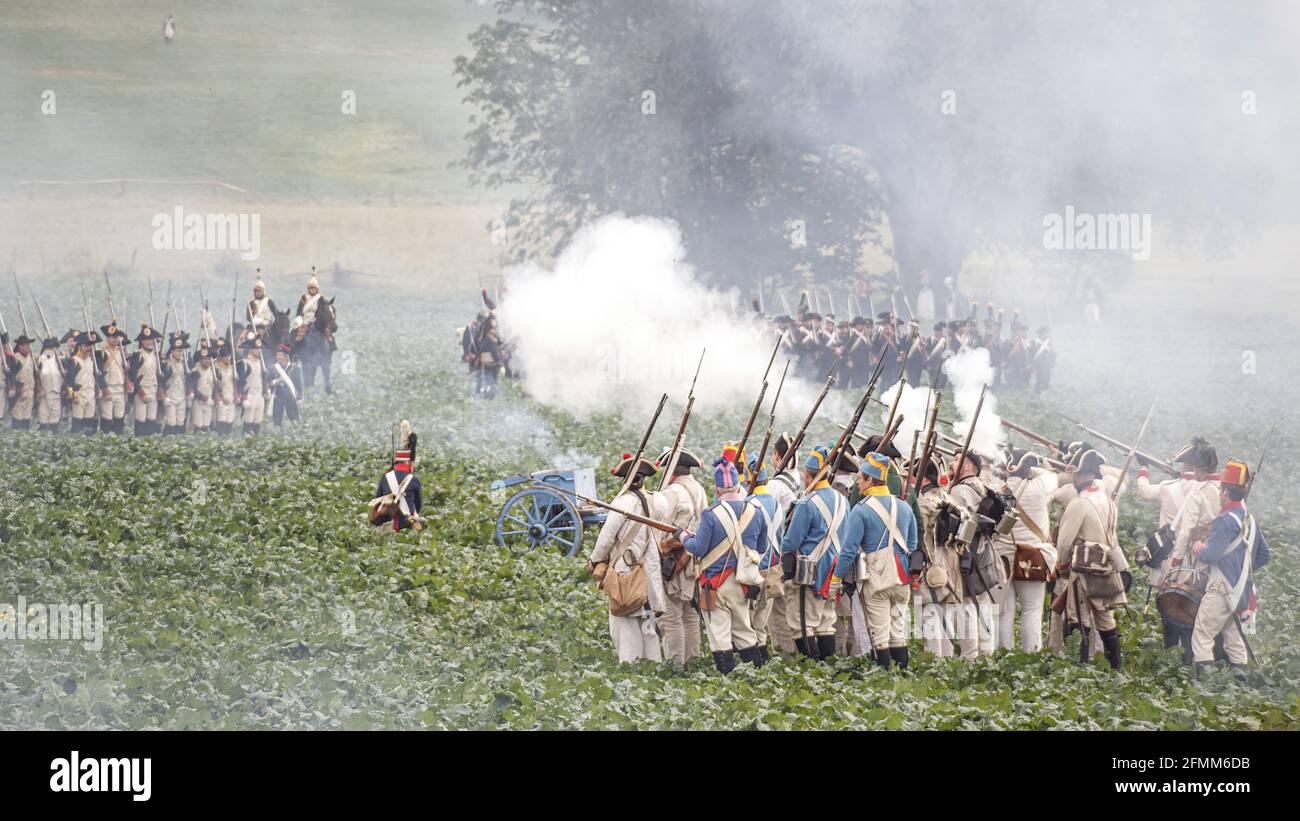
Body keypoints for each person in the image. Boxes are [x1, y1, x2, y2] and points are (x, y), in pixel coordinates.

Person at [677, 458, 769, 673]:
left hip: (716, 583)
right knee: (745, 631)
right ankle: (755, 677)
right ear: (738, 487)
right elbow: (761, 546)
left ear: (717, 491)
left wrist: (682, 536)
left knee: (719, 635)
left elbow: (698, 548)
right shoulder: (756, 510)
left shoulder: (710, 515)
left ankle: (727, 679)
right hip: (744, 581)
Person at [1190, 458, 1269, 678]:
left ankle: (1205, 686)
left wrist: (1198, 548)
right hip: (1241, 592)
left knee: (1202, 635)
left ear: (1225, 492)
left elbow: (1210, 555)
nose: (1218, 493)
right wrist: (1241, 571)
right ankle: (1239, 687)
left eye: (1220, 490)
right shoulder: (1250, 520)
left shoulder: (1225, 520)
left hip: (1220, 589)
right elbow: (1263, 555)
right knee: (1234, 640)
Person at [838, 452, 917, 669]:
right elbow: (912, 545)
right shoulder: (904, 506)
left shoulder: (861, 510)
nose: (858, 484)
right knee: (898, 633)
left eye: (861, 479)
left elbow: (848, 551)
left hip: (877, 579)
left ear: (870, 479)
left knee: (879, 636)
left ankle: (882, 683)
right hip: (901, 577)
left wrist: (836, 578)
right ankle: (902, 677)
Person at [588, 453, 666, 664]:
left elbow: (605, 539)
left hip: (626, 570)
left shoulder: (622, 503)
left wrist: (595, 560)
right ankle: (653, 665)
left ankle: (630, 667)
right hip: (649, 569)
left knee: (625, 625)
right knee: (647, 624)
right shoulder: (658, 501)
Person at [1055, 449, 1127, 670]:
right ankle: (1115, 667)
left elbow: (1065, 543)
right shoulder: (1110, 503)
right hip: (1106, 567)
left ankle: (1081, 669)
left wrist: (1062, 565)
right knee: (1106, 619)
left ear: (1079, 475)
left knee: (1079, 617)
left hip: (1083, 569)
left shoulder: (1078, 503)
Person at [780, 445, 846, 660]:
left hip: (810, 572)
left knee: (802, 625)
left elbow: (791, 542)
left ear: (809, 475)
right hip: (834, 571)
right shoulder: (843, 500)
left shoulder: (807, 503)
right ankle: (828, 668)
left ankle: (812, 671)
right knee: (826, 623)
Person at [995, 451, 1058, 652]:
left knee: (1005, 611)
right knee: (1031, 609)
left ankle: (1004, 653)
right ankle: (1031, 654)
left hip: (1002, 556)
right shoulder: (1039, 486)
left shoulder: (997, 491)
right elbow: (1052, 476)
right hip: (1030, 556)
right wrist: (1036, 465)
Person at [655, 446, 708, 666]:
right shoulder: (700, 489)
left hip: (674, 560)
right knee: (690, 613)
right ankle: (692, 660)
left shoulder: (672, 492)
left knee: (671, 616)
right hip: (694, 559)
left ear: (673, 470)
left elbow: (661, 528)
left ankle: (675, 665)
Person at [947, 452, 998, 660]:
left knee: (966, 605)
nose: (952, 463)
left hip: (965, 552)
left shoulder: (959, 491)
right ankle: (986, 651)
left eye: (957, 460)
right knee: (982, 604)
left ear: (967, 468)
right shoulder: (983, 487)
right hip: (982, 550)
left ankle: (970, 656)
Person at [745, 453, 784, 663]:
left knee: (749, 621)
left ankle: (755, 664)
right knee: (761, 620)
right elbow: (782, 536)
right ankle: (763, 658)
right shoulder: (776, 504)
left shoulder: (747, 503)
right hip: (773, 567)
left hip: (753, 568)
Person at [369, 421, 424, 533]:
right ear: (409, 463)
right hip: (407, 527)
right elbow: (418, 506)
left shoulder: (385, 477)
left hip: (388, 526)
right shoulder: (413, 480)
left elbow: (378, 499)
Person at [98, 323, 131, 434]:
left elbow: (125, 370)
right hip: (108, 388)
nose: (115, 339)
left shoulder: (121, 351)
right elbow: (99, 373)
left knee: (119, 416)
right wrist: (104, 389)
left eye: (117, 337)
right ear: (107, 337)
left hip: (120, 388)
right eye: (113, 337)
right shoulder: (102, 352)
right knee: (107, 416)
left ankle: (119, 439)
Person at [129, 325, 163, 436]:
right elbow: (132, 375)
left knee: (151, 418)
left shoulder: (156, 356)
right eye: (146, 339)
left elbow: (160, 375)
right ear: (142, 341)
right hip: (141, 390)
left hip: (153, 389)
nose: (149, 342)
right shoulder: (137, 355)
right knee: (140, 419)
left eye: (150, 339)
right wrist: (141, 393)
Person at [67, 331, 101, 434]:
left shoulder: (91, 360)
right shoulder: (74, 360)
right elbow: (70, 380)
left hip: (90, 394)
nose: (88, 348)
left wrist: (97, 389)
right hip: (79, 394)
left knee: (89, 422)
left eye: (90, 346)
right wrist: (74, 394)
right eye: (86, 346)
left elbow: (95, 377)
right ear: (80, 346)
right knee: (77, 422)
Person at [236, 337, 269, 435]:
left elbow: (263, 380)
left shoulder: (262, 363)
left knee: (258, 420)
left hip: (260, 395)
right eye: (256, 349)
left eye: (260, 349)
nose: (259, 351)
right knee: (248, 419)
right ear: (250, 349)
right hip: (249, 395)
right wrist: (242, 397)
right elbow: (240, 382)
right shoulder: (244, 363)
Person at [160, 333, 191, 435]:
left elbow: (190, 380)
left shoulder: (185, 363)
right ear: (172, 351)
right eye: (178, 351)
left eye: (181, 351)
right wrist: (164, 396)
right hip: (170, 395)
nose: (180, 353)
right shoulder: (166, 363)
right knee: (171, 422)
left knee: (180, 422)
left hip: (181, 395)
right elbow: (162, 381)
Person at [4, 333, 36, 429]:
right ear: (21, 346)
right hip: (20, 392)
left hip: (30, 390)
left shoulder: (31, 358)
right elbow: (11, 376)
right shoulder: (15, 358)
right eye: (27, 345)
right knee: (17, 417)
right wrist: (19, 389)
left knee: (27, 417)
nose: (29, 347)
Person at [267, 343, 303, 427]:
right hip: (278, 395)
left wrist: (300, 397)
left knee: (294, 417)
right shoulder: (274, 368)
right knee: (277, 418)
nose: (278, 357)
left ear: (286, 356)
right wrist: (276, 381)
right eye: (277, 355)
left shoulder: (295, 368)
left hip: (291, 395)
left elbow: (299, 384)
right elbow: (268, 382)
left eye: (280, 355)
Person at [34, 337, 65, 432]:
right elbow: (35, 375)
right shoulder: (39, 360)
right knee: (43, 418)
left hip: (56, 393)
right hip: (44, 394)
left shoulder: (59, 361)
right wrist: (39, 388)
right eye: (49, 348)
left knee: (55, 420)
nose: (51, 350)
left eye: (53, 348)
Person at [189, 340, 216, 432]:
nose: (207, 361)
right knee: (198, 425)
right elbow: (192, 388)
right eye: (204, 359)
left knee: (206, 425)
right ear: (200, 360)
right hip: (198, 401)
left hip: (209, 401)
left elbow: (216, 386)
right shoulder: (195, 371)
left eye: (209, 358)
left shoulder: (214, 371)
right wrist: (203, 398)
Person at [213, 340, 238, 435]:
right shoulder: (217, 368)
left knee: (230, 422)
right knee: (221, 421)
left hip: (231, 397)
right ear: (221, 357)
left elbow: (235, 383)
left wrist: (236, 396)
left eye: (229, 356)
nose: (228, 358)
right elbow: (215, 386)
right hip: (221, 399)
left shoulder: (233, 368)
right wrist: (220, 398)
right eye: (225, 356)